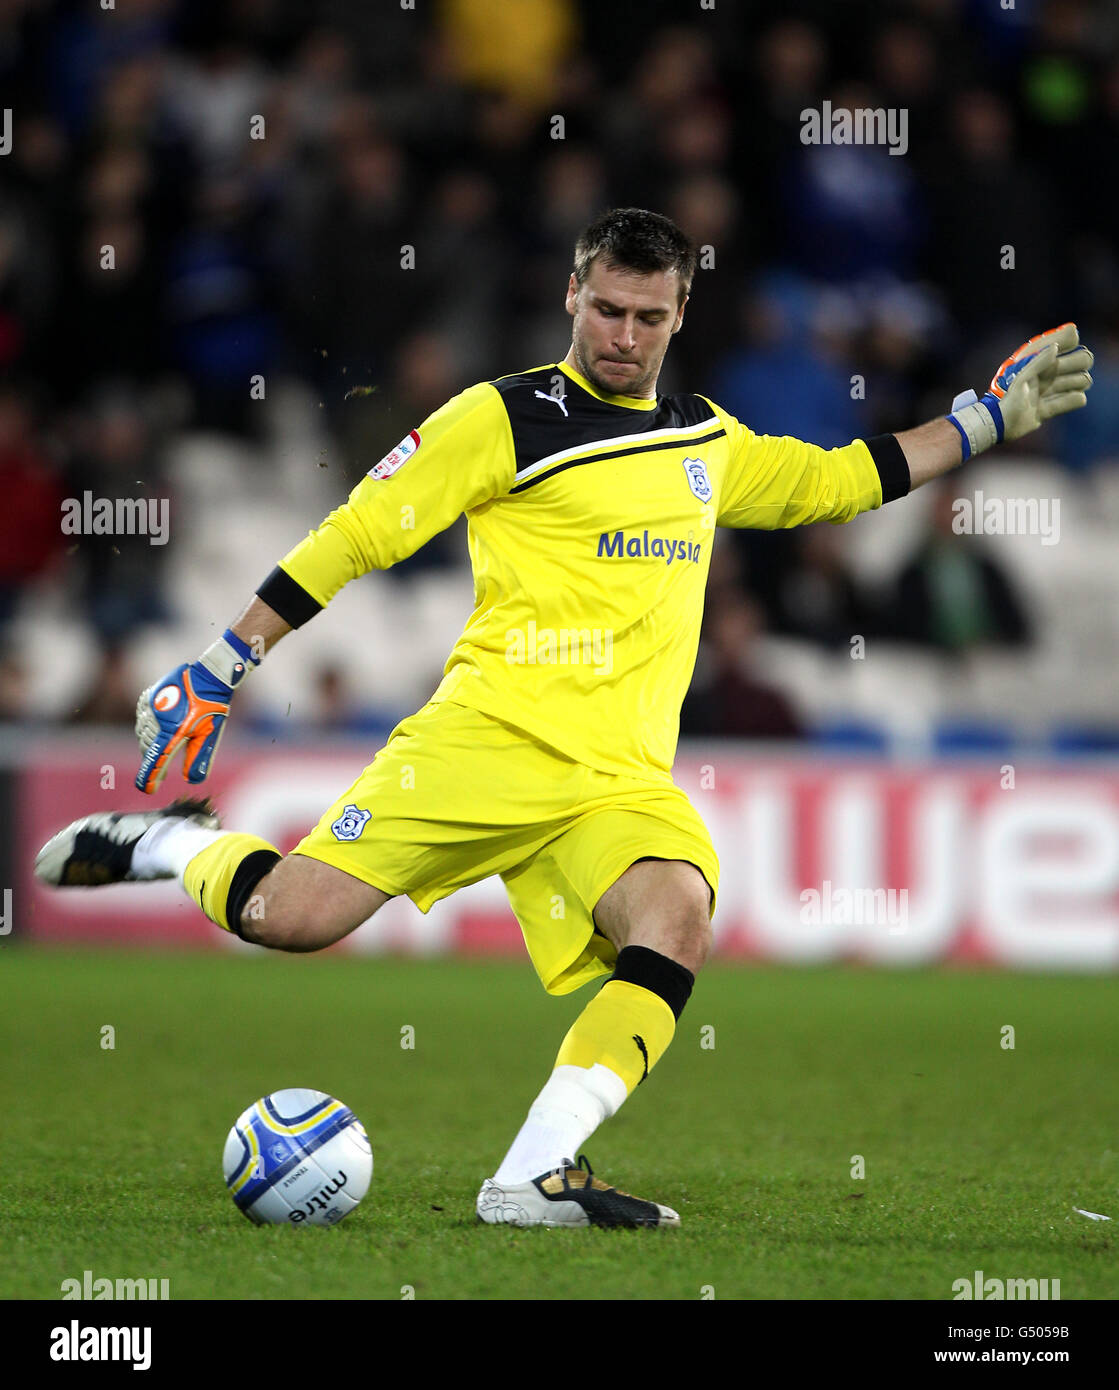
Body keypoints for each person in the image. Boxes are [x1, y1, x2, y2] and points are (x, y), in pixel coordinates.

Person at [35, 209, 1093, 1228]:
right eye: (607, 310)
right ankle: (181, 848)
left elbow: (843, 480)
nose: (623, 337)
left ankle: (532, 1172)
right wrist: (226, 658)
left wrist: (987, 417)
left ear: (681, 317)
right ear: (571, 296)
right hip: (481, 745)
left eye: (649, 317)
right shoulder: (501, 418)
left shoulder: (705, 442)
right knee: (293, 922)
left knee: (677, 916)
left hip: (615, 782)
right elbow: (357, 533)